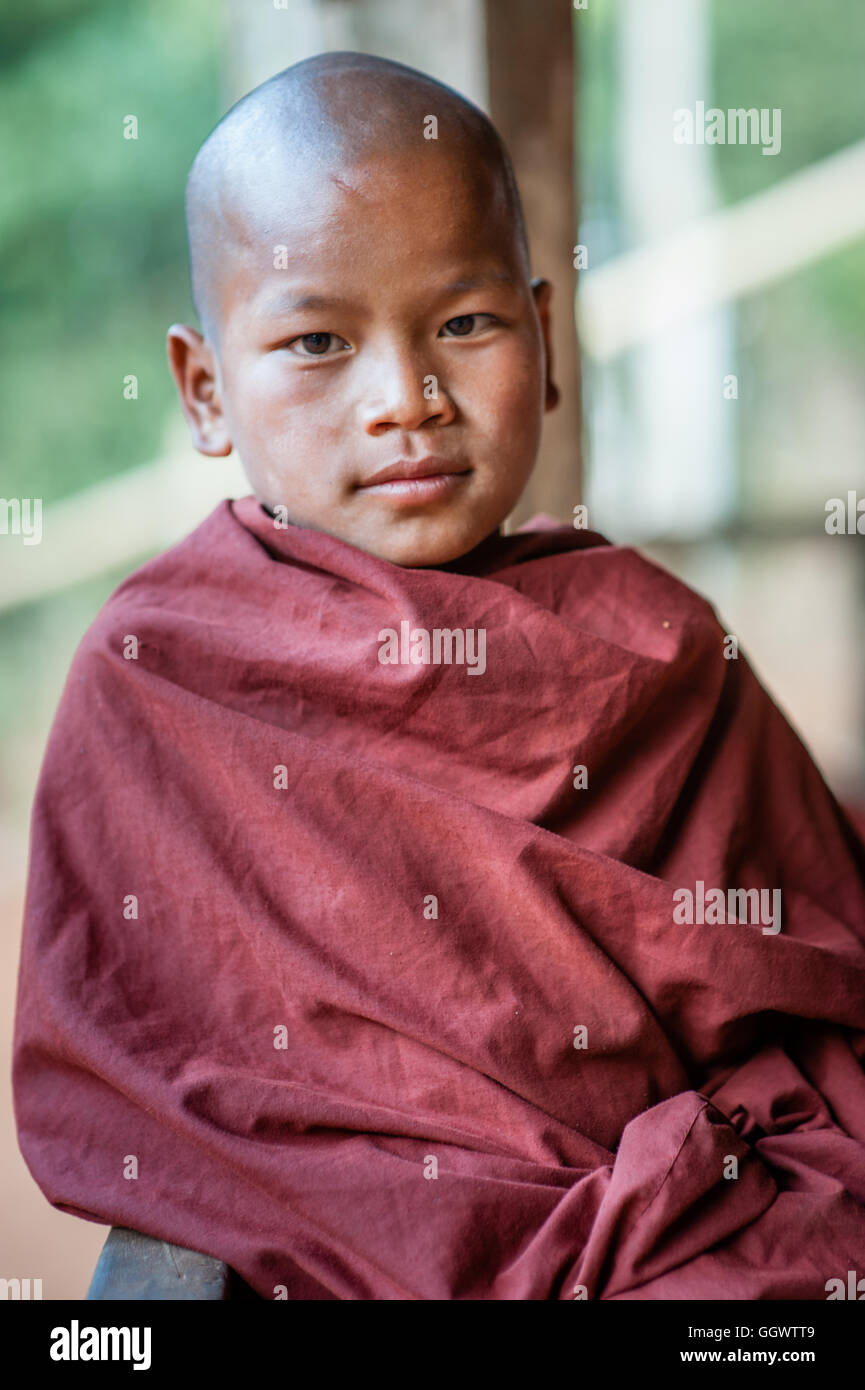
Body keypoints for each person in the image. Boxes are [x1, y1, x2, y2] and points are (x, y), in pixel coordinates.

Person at [13, 52, 865, 1301]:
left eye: (464, 324)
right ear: (205, 390)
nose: (406, 401)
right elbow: (141, 1091)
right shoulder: (163, 674)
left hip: (681, 1241)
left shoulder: (657, 651)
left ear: (545, 337)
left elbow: (817, 1006)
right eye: (315, 342)